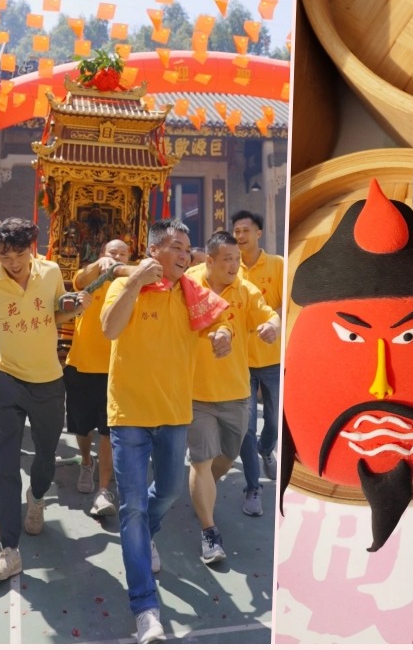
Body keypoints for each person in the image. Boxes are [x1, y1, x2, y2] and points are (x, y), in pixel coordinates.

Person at [101, 219, 233, 644]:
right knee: (133, 509)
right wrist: (136, 281)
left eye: (187, 247)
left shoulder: (192, 293)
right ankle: (146, 608)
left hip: (175, 412)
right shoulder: (126, 284)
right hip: (130, 415)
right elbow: (109, 328)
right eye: (175, 246)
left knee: (171, 491)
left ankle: (144, 538)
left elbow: (218, 326)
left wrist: (224, 335)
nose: (183, 253)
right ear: (154, 250)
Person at [0, 218, 90, 583]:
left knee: (45, 457)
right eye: (4, 255)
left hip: (48, 380)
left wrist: (76, 308)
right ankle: (9, 550)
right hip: (7, 377)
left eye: (18, 254)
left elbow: (56, 313)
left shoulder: (49, 273)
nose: (12, 262)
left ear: (33, 247)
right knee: (6, 464)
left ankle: (38, 496)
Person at [185, 232, 280, 560]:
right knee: (201, 459)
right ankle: (209, 532)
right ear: (209, 261)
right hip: (195, 392)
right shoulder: (187, 285)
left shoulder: (245, 289)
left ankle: (201, 491)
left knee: (226, 456)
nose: (234, 265)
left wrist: (273, 327)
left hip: (238, 393)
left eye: (237, 260)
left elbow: (270, 315)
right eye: (227, 259)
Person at [64, 238, 136, 517]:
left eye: (122, 254)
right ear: (103, 254)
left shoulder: (132, 282)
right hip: (81, 365)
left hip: (116, 369)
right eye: (112, 253)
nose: (117, 257)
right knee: (82, 429)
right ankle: (85, 461)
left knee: (108, 431)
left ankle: (103, 489)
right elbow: (78, 280)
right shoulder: (91, 276)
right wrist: (99, 264)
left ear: (129, 258)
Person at [231, 209, 285, 515]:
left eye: (245, 231)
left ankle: (267, 450)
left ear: (258, 233)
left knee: (275, 421)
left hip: (274, 359)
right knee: (246, 427)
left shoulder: (276, 265)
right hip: (241, 363)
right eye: (236, 231)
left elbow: (284, 305)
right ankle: (252, 488)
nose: (240, 236)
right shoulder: (230, 268)